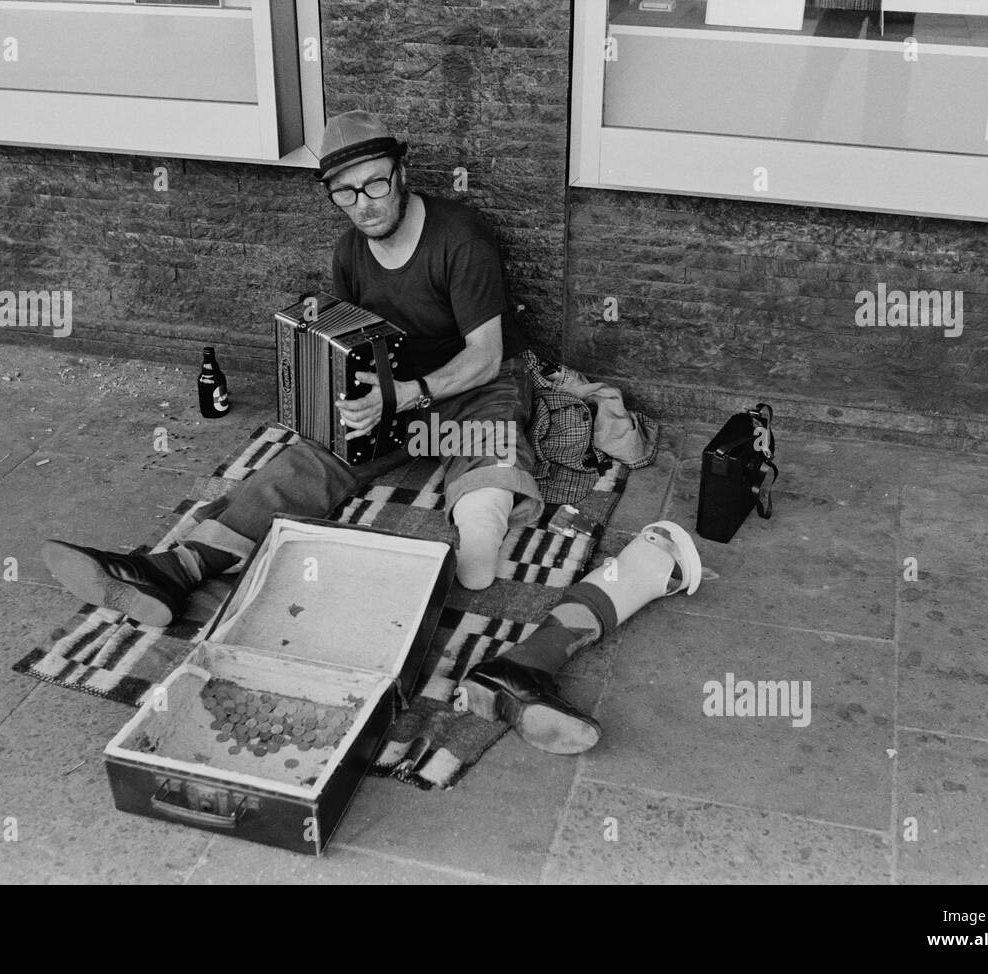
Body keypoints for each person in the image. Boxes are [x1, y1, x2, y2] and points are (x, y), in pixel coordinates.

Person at [42, 111, 705, 755]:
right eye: (346, 192)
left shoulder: (461, 239)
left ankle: (479, 532)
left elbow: (482, 355)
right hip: (398, 393)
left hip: (473, 384)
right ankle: (175, 568)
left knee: (490, 438)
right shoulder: (349, 253)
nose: (364, 203)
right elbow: (356, 343)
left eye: (376, 184)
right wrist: (348, 399)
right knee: (311, 457)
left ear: (401, 171)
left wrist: (410, 394)